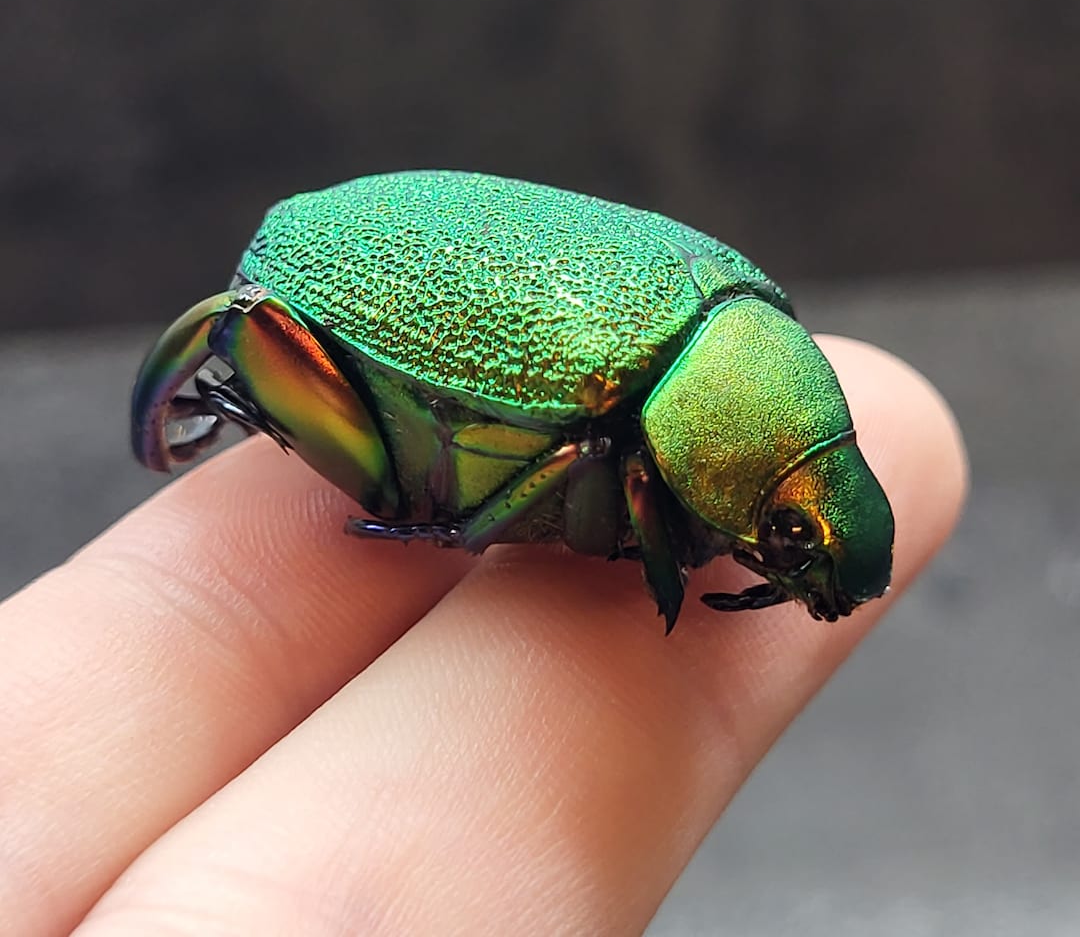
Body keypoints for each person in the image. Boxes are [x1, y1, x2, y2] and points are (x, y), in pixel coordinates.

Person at [0, 336, 965, 935]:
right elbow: (620, 465)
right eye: (790, 544)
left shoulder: (752, 373)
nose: (785, 565)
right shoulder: (642, 420)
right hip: (373, 290)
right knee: (592, 449)